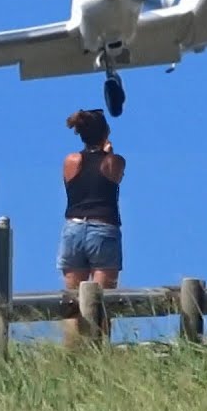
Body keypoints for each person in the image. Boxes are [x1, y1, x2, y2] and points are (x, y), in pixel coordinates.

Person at [57, 108, 125, 292]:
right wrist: (108, 152)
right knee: (102, 301)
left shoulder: (70, 160)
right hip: (103, 228)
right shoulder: (114, 161)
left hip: (73, 228)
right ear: (105, 133)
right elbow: (115, 175)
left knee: (72, 301)